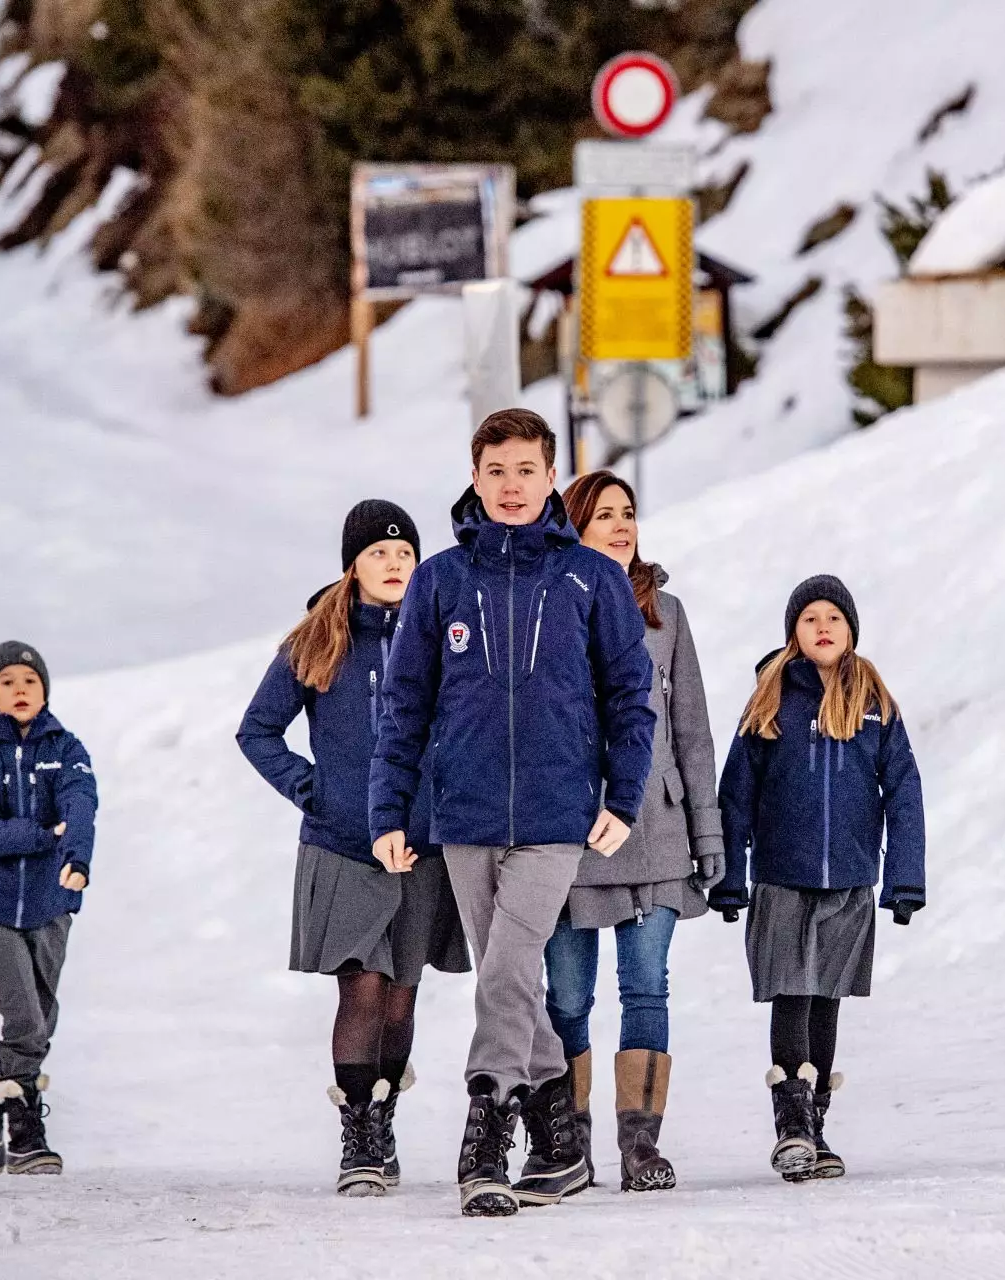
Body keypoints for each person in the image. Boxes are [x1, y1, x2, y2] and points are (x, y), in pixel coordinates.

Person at [369, 409, 656, 1218]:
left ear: (551, 476)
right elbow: (405, 706)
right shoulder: (440, 579)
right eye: (496, 471)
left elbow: (634, 699)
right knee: (513, 981)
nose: (511, 486)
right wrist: (389, 811)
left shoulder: (590, 580)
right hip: (462, 814)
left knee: (504, 969)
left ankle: (486, 1129)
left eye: (526, 470)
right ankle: (561, 1141)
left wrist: (622, 796)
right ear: (475, 476)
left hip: (556, 816)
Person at [237, 499, 469, 1197]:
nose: (394, 565)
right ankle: (358, 1133)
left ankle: (385, 1110)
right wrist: (317, 790)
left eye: (404, 555)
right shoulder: (317, 642)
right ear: (352, 566)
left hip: (424, 846)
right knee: (360, 988)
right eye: (378, 554)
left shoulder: (443, 638)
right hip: (343, 846)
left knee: (400, 999)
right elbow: (257, 732)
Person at [541, 470, 724, 1194]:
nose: (621, 526)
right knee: (567, 998)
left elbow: (695, 734)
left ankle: (640, 1146)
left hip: (658, 832)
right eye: (604, 515)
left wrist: (707, 833)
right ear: (575, 526)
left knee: (647, 989)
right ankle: (570, 1142)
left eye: (629, 513)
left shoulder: (667, 613)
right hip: (569, 835)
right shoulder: (549, 607)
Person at [710, 575, 925, 1183]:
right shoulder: (771, 700)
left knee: (827, 998)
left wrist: (904, 878)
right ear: (792, 633)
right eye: (809, 619)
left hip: (851, 880)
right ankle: (792, 1127)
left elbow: (903, 791)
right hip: (781, 878)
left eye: (834, 617)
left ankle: (816, 1124)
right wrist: (729, 876)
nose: (822, 627)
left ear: (851, 629)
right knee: (791, 992)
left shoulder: (875, 702)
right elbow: (737, 795)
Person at [0, 641, 98, 1176]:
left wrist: (76, 857)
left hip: (50, 902)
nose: (20, 690)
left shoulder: (66, 746)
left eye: (30, 681)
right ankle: (24, 1121)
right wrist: (45, 834)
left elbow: (81, 804)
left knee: (43, 1018)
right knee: (26, 1019)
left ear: (44, 691)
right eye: (8, 681)